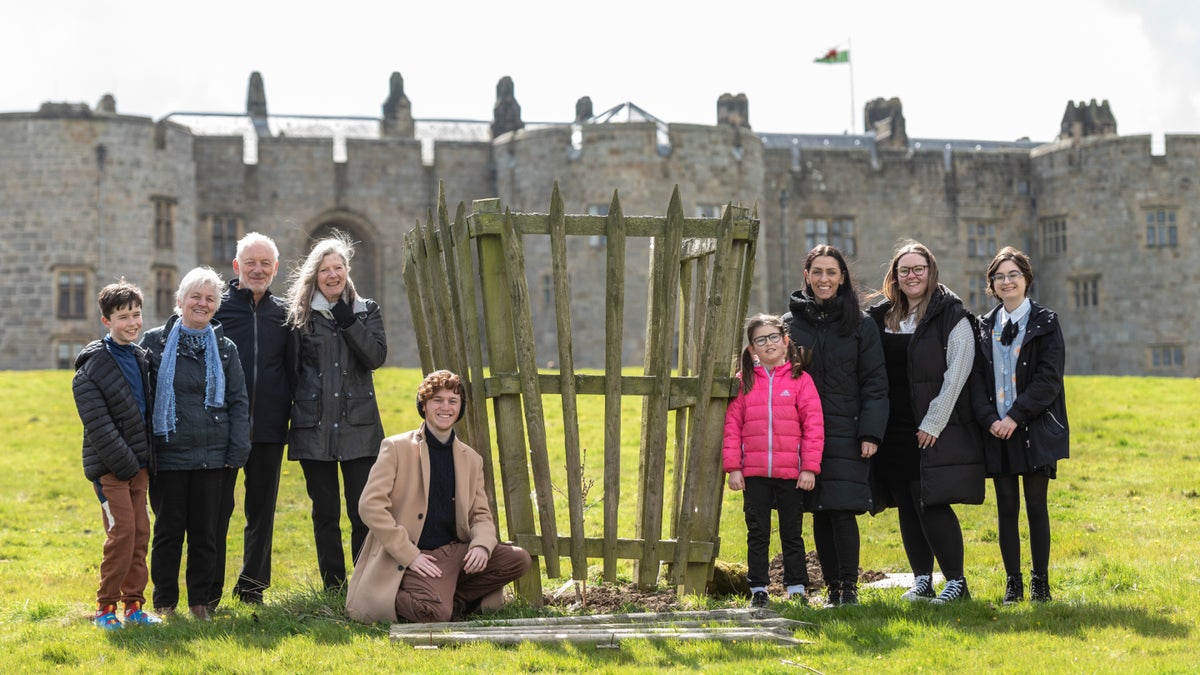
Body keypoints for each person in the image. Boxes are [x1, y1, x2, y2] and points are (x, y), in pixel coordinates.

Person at [345, 370, 532, 623]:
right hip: (414, 555)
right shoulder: (396, 447)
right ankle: (390, 597)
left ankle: (449, 599)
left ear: (460, 407)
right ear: (424, 405)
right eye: (437, 400)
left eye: (453, 401)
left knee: (518, 559)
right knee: (436, 615)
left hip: (456, 554)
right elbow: (370, 506)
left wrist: (481, 546)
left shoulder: (472, 459)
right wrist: (410, 555)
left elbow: (480, 515)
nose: (446, 407)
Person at [866, 241, 984, 604]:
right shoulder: (883, 317)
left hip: (932, 427)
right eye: (904, 270)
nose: (912, 275)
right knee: (905, 502)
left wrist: (933, 422)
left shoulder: (952, 316)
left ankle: (957, 583)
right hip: (893, 427)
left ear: (931, 272)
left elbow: (958, 372)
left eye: (919, 268)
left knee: (930, 501)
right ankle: (922, 580)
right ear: (895, 276)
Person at [141, 267, 251, 620]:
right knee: (168, 533)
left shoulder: (225, 348)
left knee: (206, 535)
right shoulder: (153, 344)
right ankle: (165, 603)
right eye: (196, 297)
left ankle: (200, 603)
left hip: (213, 456)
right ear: (180, 300)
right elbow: (141, 398)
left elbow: (238, 401)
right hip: (168, 454)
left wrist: (237, 451)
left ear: (217, 305)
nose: (202, 304)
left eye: (210, 299)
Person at [783, 245, 888, 607]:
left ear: (842, 277)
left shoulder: (861, 324)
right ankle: (832, 589)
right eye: (817, 272)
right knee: (819, 510)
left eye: (831, 272)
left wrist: (870, 433)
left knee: (841, 509)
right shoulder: (790, 325)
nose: (824, 279)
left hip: (848, 430)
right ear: (807, 276)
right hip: (804, 433)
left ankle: (849, 589)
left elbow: (875, 382)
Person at [285, 233, 386, 591]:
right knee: (325, 512)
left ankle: (364, 586)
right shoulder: (300, 316)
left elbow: (375, 356)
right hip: (313, 428)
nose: (332, 275)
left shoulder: (366, 310)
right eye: (325, 269)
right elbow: (292, 371)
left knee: (362, 511)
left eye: (338, 268)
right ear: (315, 275)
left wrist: (347, 319)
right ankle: (334, 587)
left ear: (347, 271)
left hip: (359, 426)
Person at [969, 246, 1069, 604]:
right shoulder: (983, 326)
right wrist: (991, 420)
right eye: (999, 277)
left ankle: (1041, 583)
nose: (1006, 281)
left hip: (1033, 429)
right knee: (1006, 508)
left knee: (1036, 507)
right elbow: (976, 381)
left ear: (1026, 279)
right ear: (992, 285)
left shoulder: (1046, 322)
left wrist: (1015, 416)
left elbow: (1049, 379)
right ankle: (1013, 583)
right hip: (997, 431)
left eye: (1013, 275)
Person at [72, 280, 163, 629]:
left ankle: (134, 606)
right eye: (123, 316)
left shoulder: (141, 358)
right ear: (106, 321)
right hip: (110, 469)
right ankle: (105, 608)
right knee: (122, 533)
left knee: (140, 534)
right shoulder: (91, 368)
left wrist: (144, 462)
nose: (132, 322)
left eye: (136, 314)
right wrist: (126, 464)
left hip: (140, 466)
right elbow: (98, 426)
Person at [722, 314, 825, 607]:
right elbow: (732, 427)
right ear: (752, 348)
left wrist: (809, 468)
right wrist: (733, 468)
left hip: (791, 473)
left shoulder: (800, 380)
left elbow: (813, 426)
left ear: (785, 341)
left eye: (773, 337)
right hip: (754, 474)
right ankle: (758, 589)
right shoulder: (744, 382)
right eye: (761, 339)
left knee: (792, 532)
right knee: (758, 532)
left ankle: (796, 588)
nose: (768, 343)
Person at [212, 232, 292, 606]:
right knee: (216, 511)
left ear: (275, 268)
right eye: (250, 263)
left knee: (261, 513)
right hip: (223, 428)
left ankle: (252, 588)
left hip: (270, 428)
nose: (257, 270)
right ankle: (207, 591)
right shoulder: (217, 309)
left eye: (264, 263)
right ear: (236, 267)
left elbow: (294, 368)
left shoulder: (286, 314)